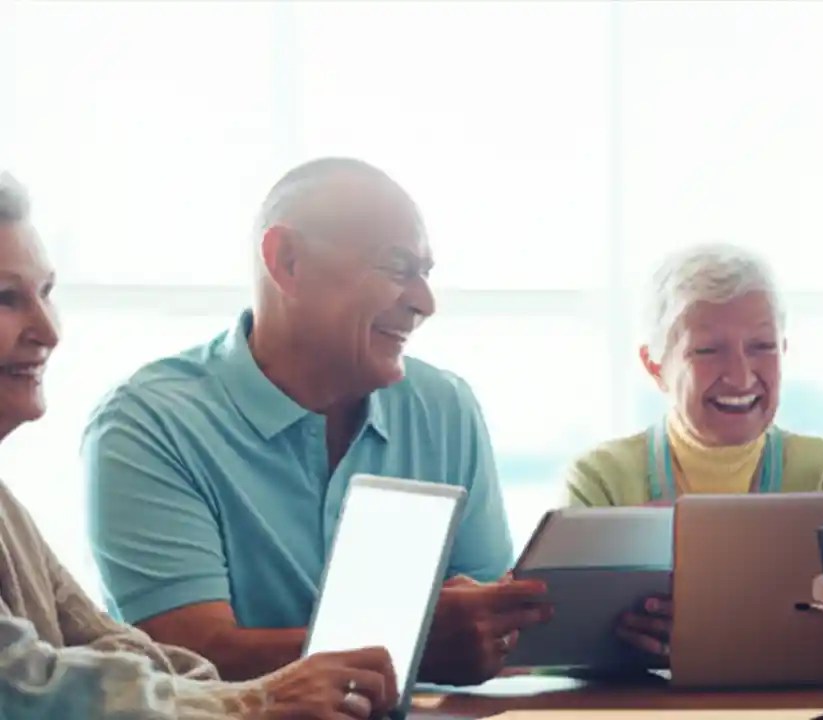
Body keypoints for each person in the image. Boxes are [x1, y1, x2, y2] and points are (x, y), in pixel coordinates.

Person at [84, 158, 552, 686]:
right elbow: (189, 659)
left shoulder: (444, 406)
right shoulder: (150, 424)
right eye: (398, 267)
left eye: (425, 274)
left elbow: (493, 633)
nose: (425, 303)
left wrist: (608, 633)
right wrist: (408, 645)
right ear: (288, 262)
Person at [0, 172, 399, 719]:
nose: (48, 331)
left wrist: (247, 697)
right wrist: (254, 701)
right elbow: (23, 689)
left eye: (46, 293)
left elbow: (116, 649)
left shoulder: (7, 509)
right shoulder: (146, 418)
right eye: (6, 299)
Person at [564, 243, 823, 658]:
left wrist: (725, 626)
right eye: (707, 350)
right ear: (655, 366)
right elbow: (561, 645)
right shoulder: (599, 480)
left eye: (762, 346)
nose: (741, 377)